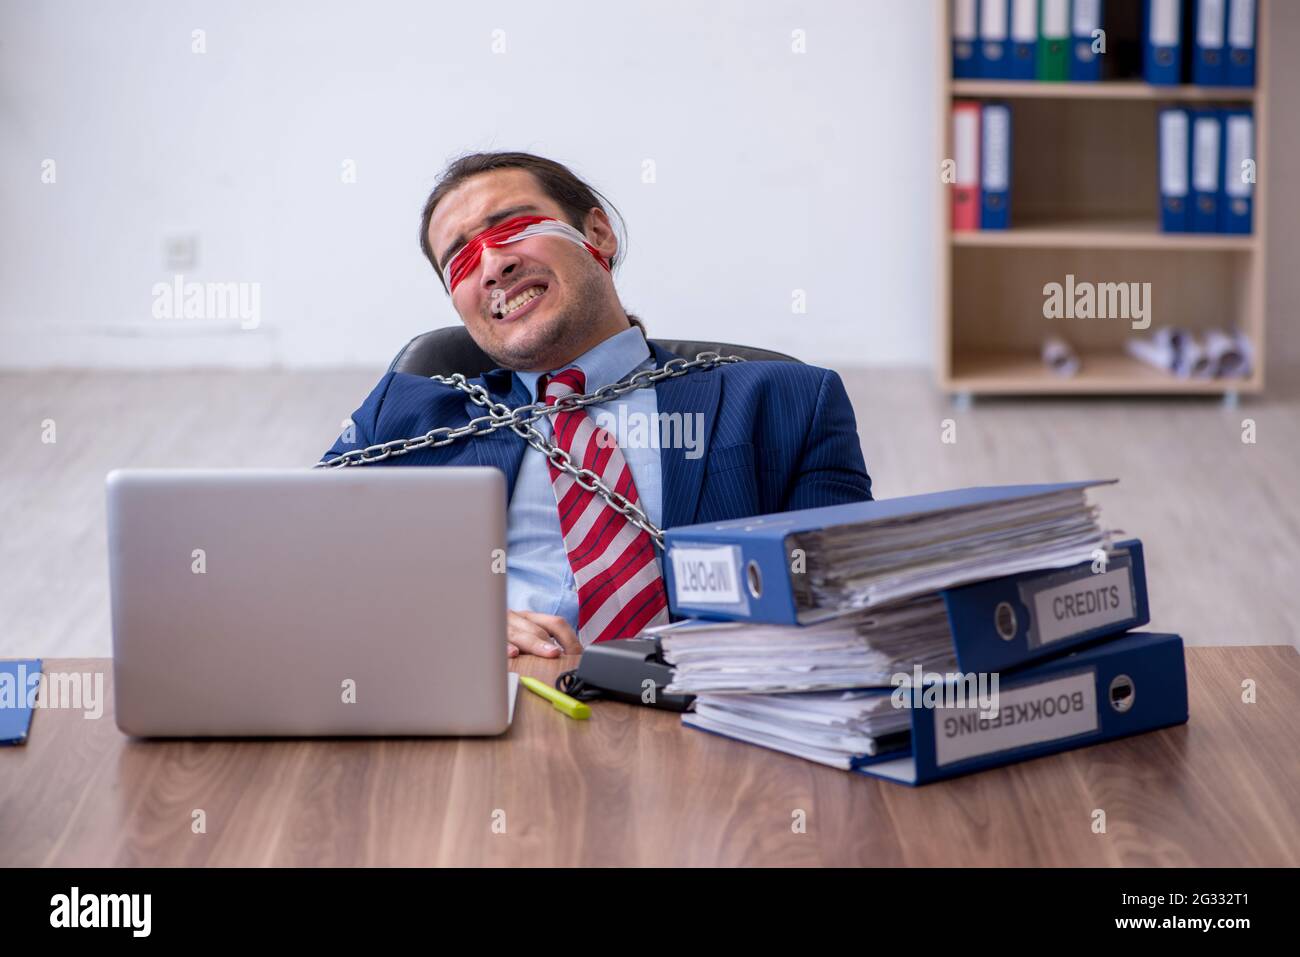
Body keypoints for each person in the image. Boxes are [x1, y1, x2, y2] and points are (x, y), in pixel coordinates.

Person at [322, 152, 872, 658]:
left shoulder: (787, 401)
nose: (491, 266)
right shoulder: (405, 413)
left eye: (513, 226)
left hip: (707, 718)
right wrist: (450, 619)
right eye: (460, 260)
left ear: (598, 233)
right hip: (491, 713)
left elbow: (847, 614)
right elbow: (301, 573)